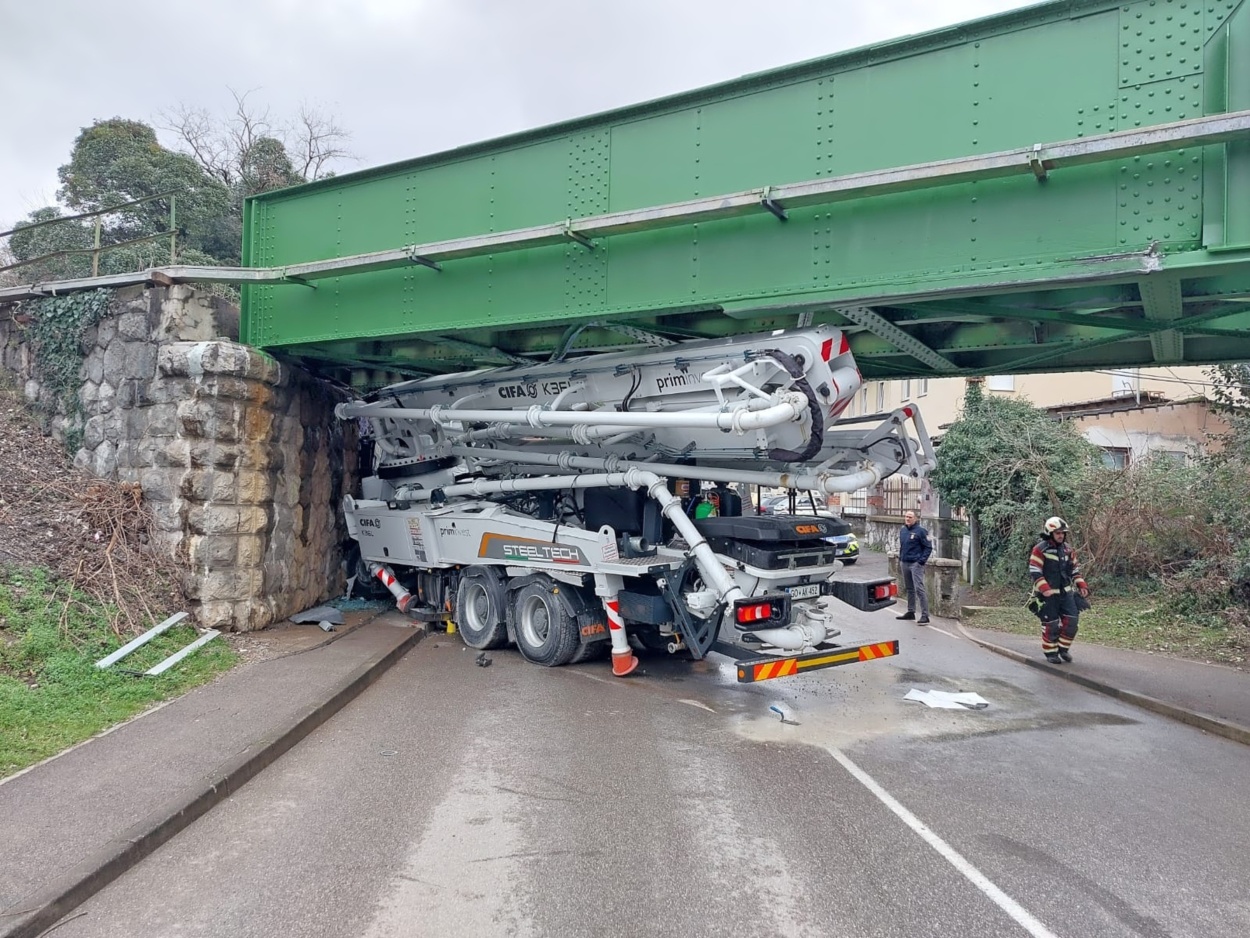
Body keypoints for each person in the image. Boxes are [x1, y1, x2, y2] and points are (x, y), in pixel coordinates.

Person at [1028, 516, 1089, 664]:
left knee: (1072, 621)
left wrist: (1082, 585)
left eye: (1063, 533)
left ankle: (1063, 649)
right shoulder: (1040, 549)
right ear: (1050, 533)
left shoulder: (1068, 550)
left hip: (1066, 593)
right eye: (1058, 533)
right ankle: (1051, 653)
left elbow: (1074, 570)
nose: (1061, 535)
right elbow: (1035, 570)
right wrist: (1045, 589)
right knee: (1051, 624)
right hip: (1048, 595)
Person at [896, 510, 932, 624]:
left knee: (919, 589)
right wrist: (901, 558)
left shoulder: (921, 531)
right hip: (904, 562)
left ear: (915, 518)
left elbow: (928, 547)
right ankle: (911, 612)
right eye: (906, 517)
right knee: (909, 588)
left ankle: (925, 615)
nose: (907, 519)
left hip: (915, 564)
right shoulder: (903, 530)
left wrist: (921, 561)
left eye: (910, 517)